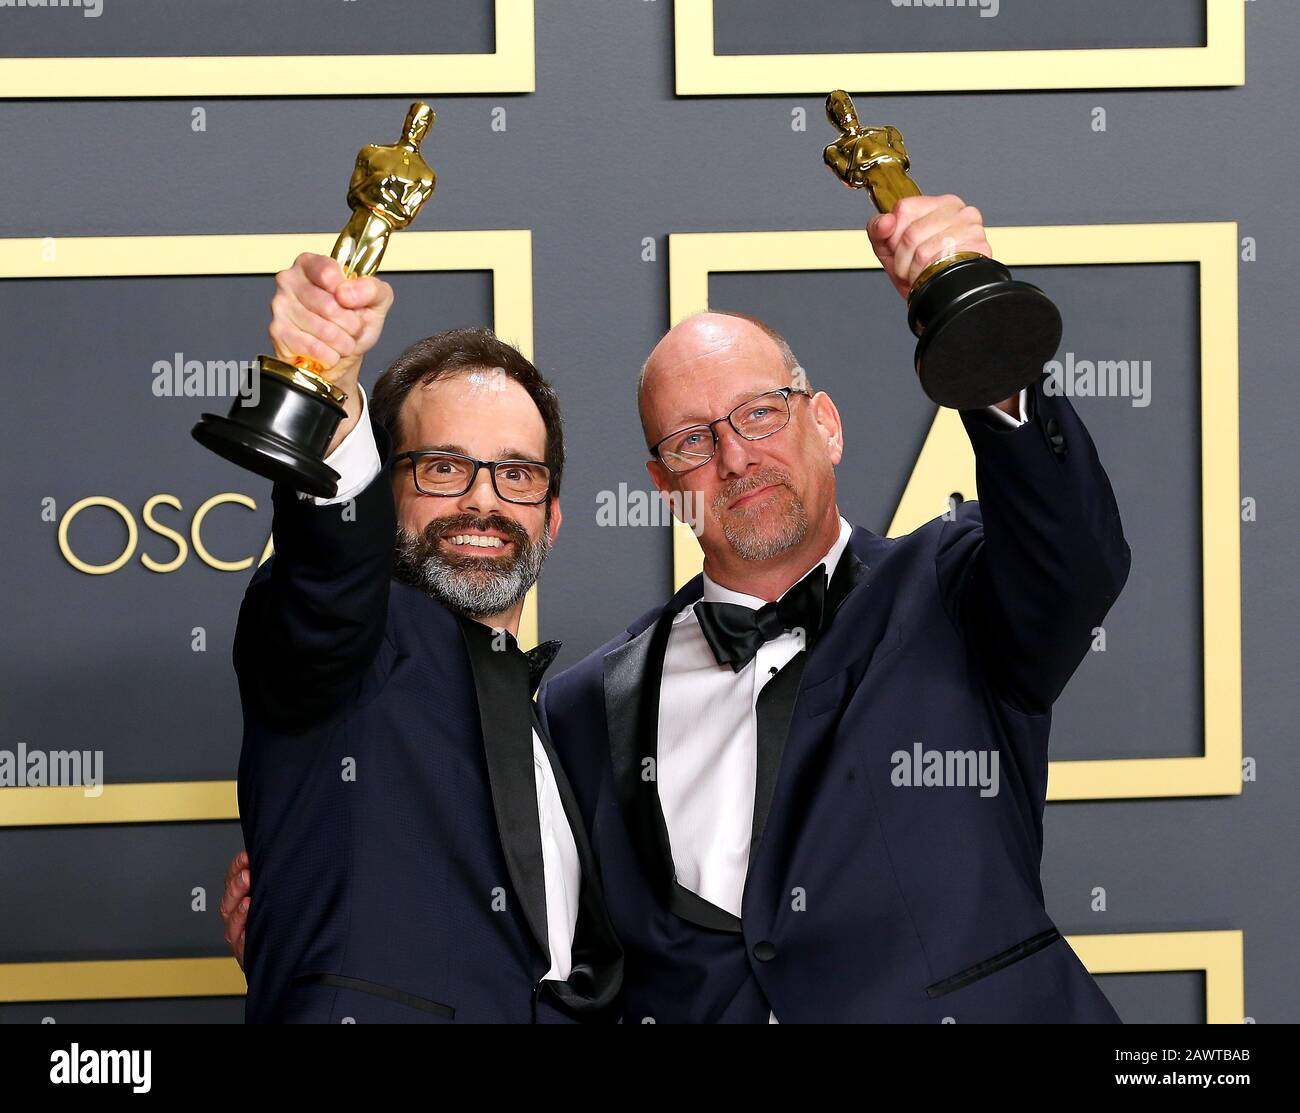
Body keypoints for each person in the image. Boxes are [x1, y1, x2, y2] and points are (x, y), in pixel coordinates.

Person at [226, 194, 1129, 1023]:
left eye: (761, 415)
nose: (735, 459)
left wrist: (984, 340)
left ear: (828, 424)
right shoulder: (579, 707)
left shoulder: (957, 587)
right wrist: (306, 931)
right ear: (662, 484)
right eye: (693, 440)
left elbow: (1073, 556)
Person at [228, 252, 621, 1023]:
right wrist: (333, 388)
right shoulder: (353, 646)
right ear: (386, 493)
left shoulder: (559, 732)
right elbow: (327, 576)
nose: (483, 500)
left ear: (554, 517)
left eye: (518, 475)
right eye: (443, 467)